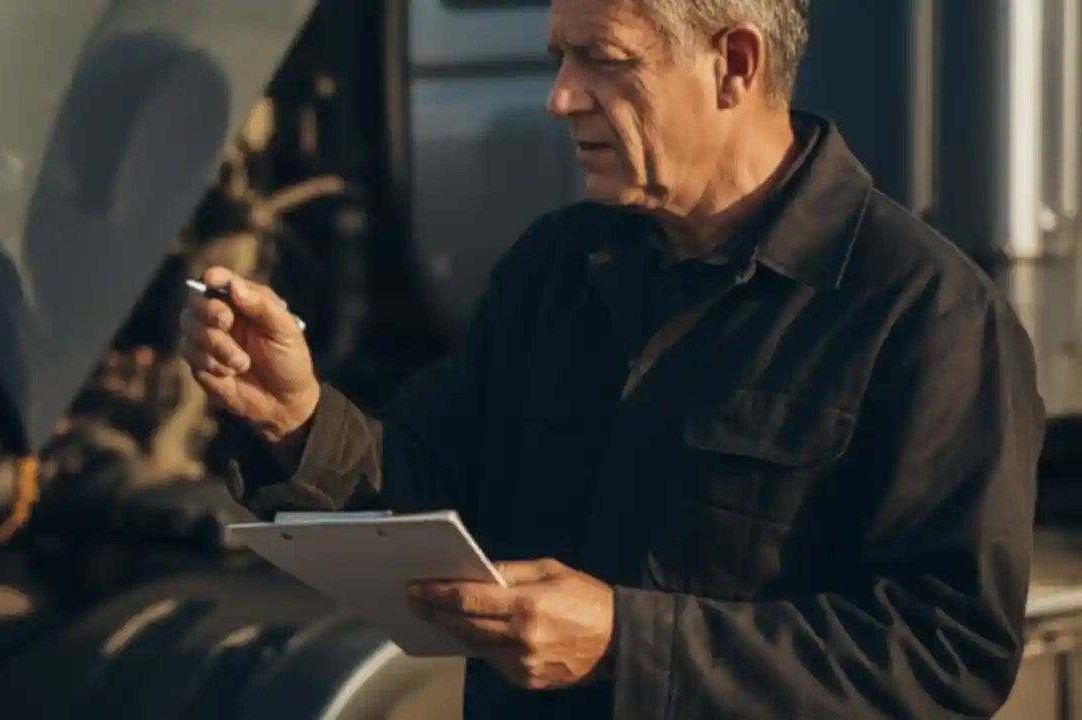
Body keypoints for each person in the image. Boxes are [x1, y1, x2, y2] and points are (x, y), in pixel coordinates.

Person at [179, 0, 1046, 717]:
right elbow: (427, 492)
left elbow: (945, 657)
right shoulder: (558, 265)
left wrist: (628, 645)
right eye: (560, 57)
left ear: (733, 66)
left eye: (603, 60)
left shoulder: (926, 316)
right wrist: (294, 418)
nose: (560, 98)